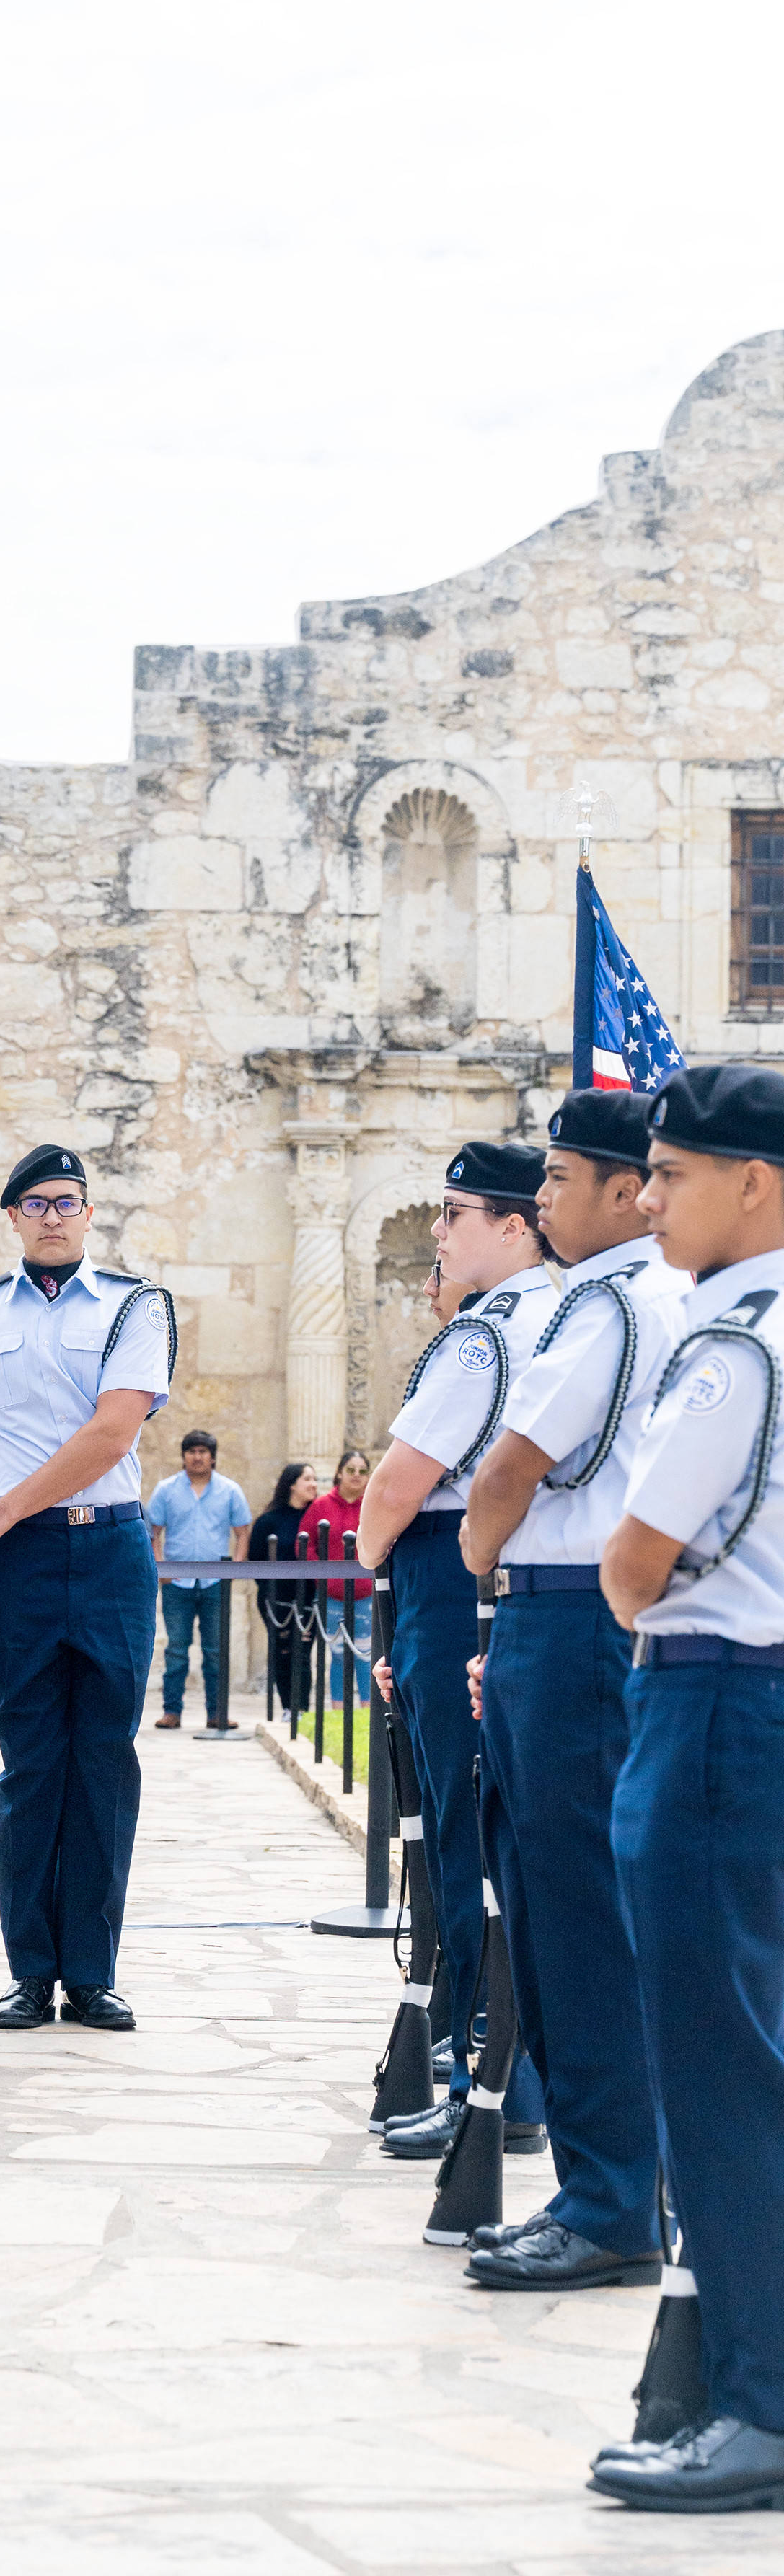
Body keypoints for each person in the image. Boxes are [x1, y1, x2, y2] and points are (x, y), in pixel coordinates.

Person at [587, 1064, 784, 2512]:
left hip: (716, 1702)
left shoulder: (735, 1346)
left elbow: (633, 1560)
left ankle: (760, 2406)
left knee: (720, 2074)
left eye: (671, 1173)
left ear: (755, 1183)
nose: (648, 1200)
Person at [456, 1088, 690, 2295]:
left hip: (571, 1618)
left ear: (621, 1190)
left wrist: (477, 1562)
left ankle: (609, 2204)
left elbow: (511, 1468)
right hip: (580, 1619)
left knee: (573, 1916)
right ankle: (611, 2186)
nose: (541, 1198)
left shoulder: (609, 1300)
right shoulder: (657, 1294)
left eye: (558, 1178)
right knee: (566, 1907)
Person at [0, 1142, 173, 2033]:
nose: (54, 1216)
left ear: (89, 1214)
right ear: (13, 1218)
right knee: (30, 1763)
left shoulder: (137, 1306)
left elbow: (112, 1435)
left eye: (69, 1201)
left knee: (104, 1761)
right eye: (37, 1203)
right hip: (15, 1564)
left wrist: (3, 1508)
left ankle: (92, 1973)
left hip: (109, 1549)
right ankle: (30, 1970)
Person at [357, 1139, 555, 2154]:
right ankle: (495, 2049)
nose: (437, 1231)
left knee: (461, 1820)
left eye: (454, 1213)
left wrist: (367, 1548)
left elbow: (399, 1482)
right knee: (491, 1820)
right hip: (502, 1570)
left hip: (450, 1565)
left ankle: (483, 2056)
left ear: (513, 1225)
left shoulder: (484, 1337)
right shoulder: (557, 1314)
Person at [146, 1431, 250, 1729]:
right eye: (192, 1451)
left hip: (215, 1583)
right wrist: (161, 1568)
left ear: (213, 1457)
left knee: (215, 1651)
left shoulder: (230, 1490)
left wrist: (235, 1571)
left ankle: (217, 1713)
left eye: (203, 1451)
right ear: (184, 1456)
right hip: (176, 1583)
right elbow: (154, 1532)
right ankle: (172, 1712)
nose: (197, 1457)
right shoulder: (166, 1490)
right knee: (176, 1650)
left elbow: (243, 1532)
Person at [300, 1451, 373, 1706]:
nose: (356, 1475)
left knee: (366, 1654)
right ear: (339, 1473)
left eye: (362, 1471)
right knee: (338, 1655)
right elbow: (305, 1543)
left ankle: (367, 1712)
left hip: (366, 1593)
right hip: (332, 1594)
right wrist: (322, 1576)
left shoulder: (372, 1505)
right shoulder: (321, 1506)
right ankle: (338, 1711)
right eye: (351, 1469)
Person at [247, 1460, 318, 1713]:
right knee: (282, 1651)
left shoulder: (316, 1517)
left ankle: (303, 1711)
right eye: (307, 1479)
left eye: (314, 1479)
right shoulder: (269, 1521)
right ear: (291, 1485)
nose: (314, 1484)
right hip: (276, 1597)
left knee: (304, 1652)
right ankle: (288, 1708)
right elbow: (256, 1559)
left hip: (309, 1596)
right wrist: (271, 1590)